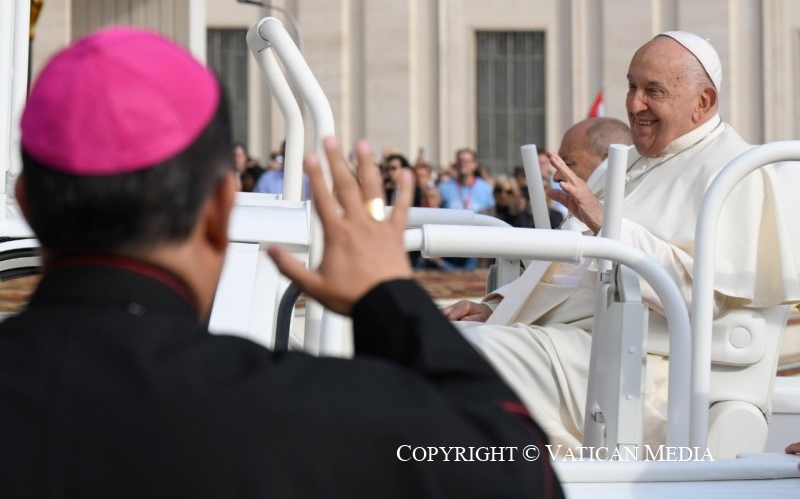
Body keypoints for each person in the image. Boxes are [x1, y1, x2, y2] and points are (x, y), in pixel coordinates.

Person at [2, 26, 563, 498]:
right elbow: (520, 470)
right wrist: (389, 297)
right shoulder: (306, 413)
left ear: (25, 202)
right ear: (223, 207)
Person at [444, 31, 800, 450]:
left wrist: (605, 224)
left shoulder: (735, 174)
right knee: (446, 338)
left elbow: (703, 297)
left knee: (465, 357)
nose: (634, 104)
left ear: (702, 102)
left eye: (654, 91)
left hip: (649, 371)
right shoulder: (625, 162)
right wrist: (496, 307)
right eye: (632, 86)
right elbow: (568, 269)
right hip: (579, 344)